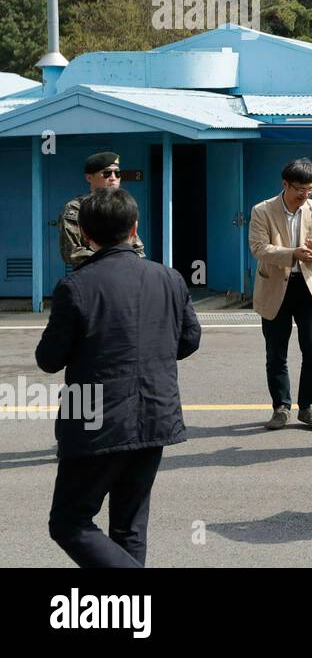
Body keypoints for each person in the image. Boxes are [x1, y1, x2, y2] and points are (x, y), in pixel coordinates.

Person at [37, 188, 201, 567]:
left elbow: (49, 359)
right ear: (134, 228)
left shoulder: (75, 286)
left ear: (86, 236)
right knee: (129, 526)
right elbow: (189, 340)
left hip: (96, 421)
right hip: (155, 415)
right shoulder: (169, 278)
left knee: (69, 522)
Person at [249, 158, 312, 431]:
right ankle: (280, 407)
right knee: (276, 353)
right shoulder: (262, 210)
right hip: (274, 286)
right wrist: (292, 254)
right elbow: (259, 248)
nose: (305, 195)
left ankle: (308, 407)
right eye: (299, 189)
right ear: (285, 185)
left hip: (309, 286)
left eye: (310, 189)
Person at [60, 151, 145, 269]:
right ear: (89, 177)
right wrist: (113, 262)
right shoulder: (76, 208)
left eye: (117, 173)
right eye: (107, 173)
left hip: (125, 272)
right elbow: (72, 252)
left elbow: (137, 248)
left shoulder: (123, 205)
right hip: (92, 274)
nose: (113, 178)